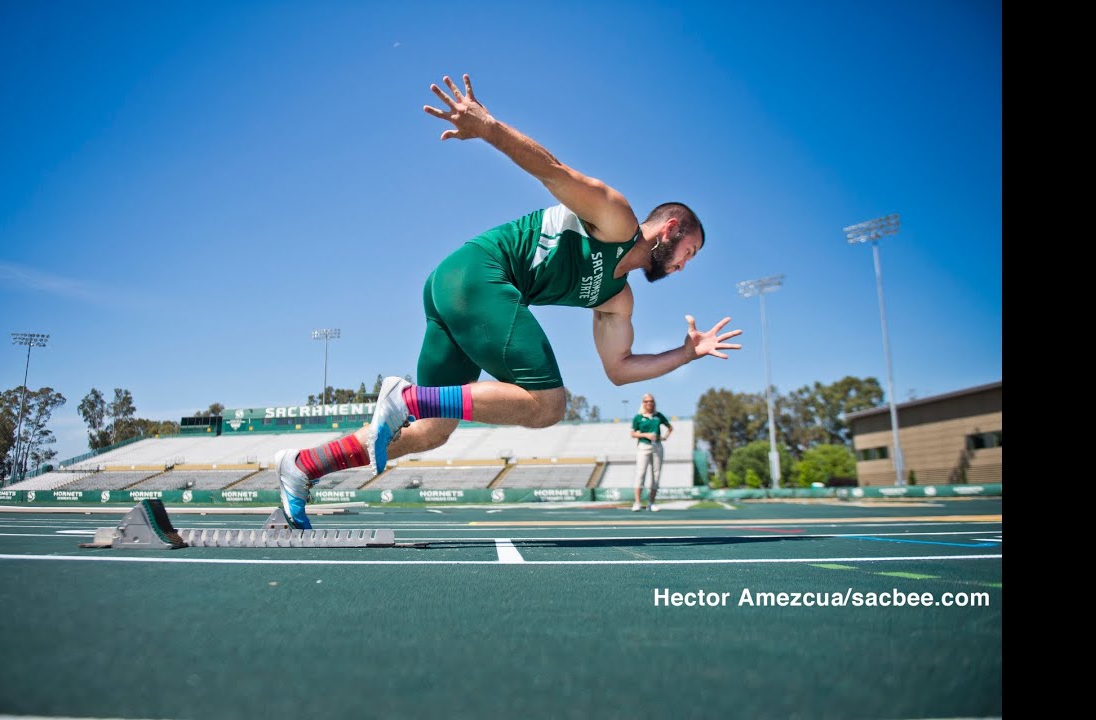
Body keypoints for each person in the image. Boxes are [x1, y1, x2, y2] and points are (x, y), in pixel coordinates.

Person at [273, 73, 743, 529]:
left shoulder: (617, 299)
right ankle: (408, 397)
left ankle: (305, 466)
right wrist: (486, 127)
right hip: (479, 274)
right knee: (548, 405)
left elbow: (618, 370)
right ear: (671, 229)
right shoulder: (616, 219)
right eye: (690, 252)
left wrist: (685, 353)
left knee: (432, 431)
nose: (685, 265)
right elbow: (552, 171)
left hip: (454, 289)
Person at [630, 393, 672, 512]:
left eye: (651, 401)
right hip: (643, 446)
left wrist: (664, 437)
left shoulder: (658, 416)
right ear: (643, 403)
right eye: (647, 401)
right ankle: (637, 502)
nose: (649, 403)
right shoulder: (638, 417)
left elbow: (670, 427)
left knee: (656, 475)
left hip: (657, 447)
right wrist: (645, 435)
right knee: (640, 473)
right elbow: (633, 433)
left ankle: (651, 503)